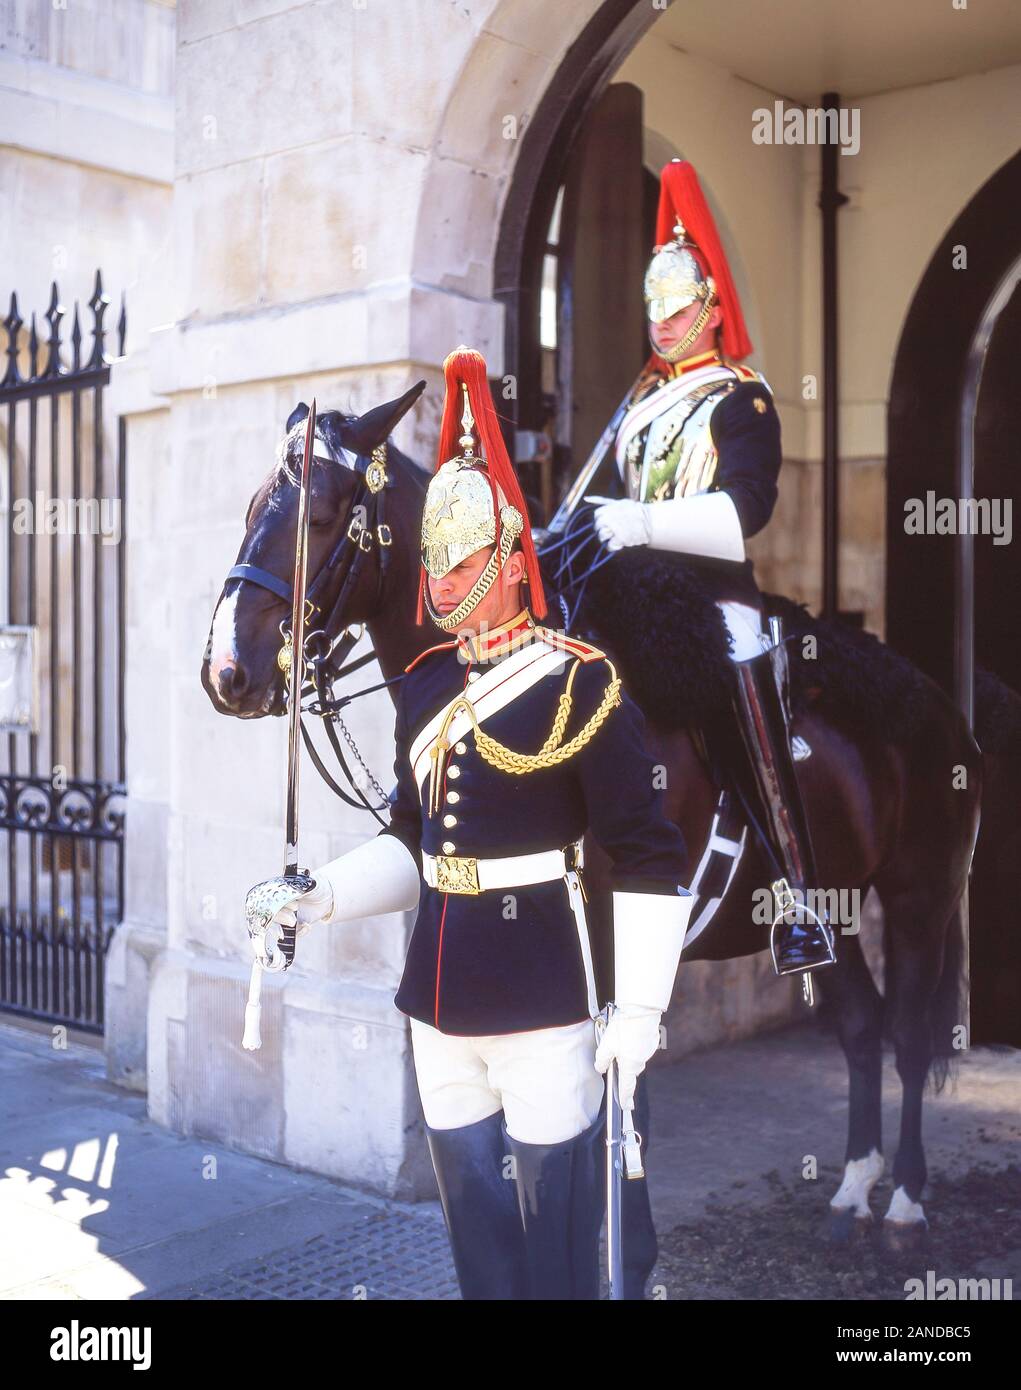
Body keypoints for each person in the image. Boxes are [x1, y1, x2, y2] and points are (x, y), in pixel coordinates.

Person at [266, 347, 692, 1300]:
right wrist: (320, 895)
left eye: (461, 561)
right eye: (435, 561)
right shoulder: (421, 686)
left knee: (554, 1259)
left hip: (547, 997)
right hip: (438, 1004)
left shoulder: (581, 679)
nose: (445, 579)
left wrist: (644, 1011)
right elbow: (413, 843)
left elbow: (648, 854)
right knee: (481, 1256)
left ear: (505, 559)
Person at [585, 159, 834, 979]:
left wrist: (645, 520)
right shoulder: (640, 404)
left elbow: (744, 513)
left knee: (744, 669)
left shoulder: (742, 397)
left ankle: (798, 896)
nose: (661, 320)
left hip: (711, 595)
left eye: (678, 304)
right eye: (653, 306)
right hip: (630, 593)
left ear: (712, 305)